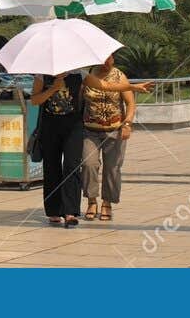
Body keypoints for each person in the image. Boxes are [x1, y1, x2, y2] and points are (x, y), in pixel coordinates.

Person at [29, 66, 151, 227]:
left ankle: (70, 211)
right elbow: (35, 100)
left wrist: (132, 87)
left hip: (73, 127)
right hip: (50, 127)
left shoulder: (79, 74)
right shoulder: (42, 75)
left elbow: (105, 85)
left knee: (72, 166)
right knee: (52, 167)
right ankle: (53, 210)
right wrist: (53, 88)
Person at [81, 52, 136, 221]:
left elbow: (130, 103)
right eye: (104, 58)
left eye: (110, 58)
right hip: (90, 130)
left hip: (114, 130)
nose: (107, 62)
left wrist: (127, 124)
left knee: (112, 168)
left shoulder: (120, 76)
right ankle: (91, 200)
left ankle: (107, 202)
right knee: (89, 164)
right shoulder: (88, 75)